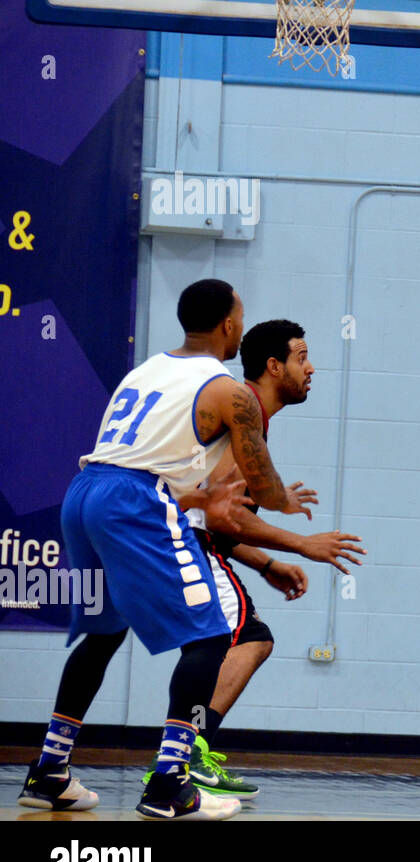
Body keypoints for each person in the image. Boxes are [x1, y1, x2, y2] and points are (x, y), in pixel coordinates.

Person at [18, 280, 313, 820]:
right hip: (135, 501)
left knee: (104, 633)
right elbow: (264, 489)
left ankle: (48, 770)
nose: (241, 327)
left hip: (84, 493)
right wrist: (287, 502)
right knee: (209, 636)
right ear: (228, 325)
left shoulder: (146, 370)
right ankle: (168, 784)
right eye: (240, 318)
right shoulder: (231, 391)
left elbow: (136, 459)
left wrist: (196, 494)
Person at [144, 320, 367, 798]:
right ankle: (185, 755)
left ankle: (177, 756)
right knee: (248, 637)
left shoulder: (248, 415)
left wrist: (266, 564)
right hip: (175, 535)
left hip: (157, 529)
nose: (312, 369)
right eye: (302, 358)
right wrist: (303, 545)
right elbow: (222, 523)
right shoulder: (245, 412)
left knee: (223, 642)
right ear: (273, 366)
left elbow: (220, 520)